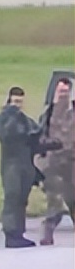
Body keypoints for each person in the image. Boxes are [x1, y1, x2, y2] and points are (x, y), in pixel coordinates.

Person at [0, 86, 41, 248]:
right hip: (11, 164)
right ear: (9, 100)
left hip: (25, 163)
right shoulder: (2, 119)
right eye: (15, 101)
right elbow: (6, 135)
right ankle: (10, 233)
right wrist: (12, 114)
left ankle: (19, 233)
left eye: (20, 102)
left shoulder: (26, 121)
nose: (18, 105)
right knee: (12, 197)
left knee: (22, 199)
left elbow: (35, 138)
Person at [37, 77, 75, 246]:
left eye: (66, 92)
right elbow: (39, 135)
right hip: (53, 164)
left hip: (72, 162)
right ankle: (47, 234)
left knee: (72, 199)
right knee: (55, 202)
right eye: (60, 91)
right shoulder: (48, 113)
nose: (63, 95)